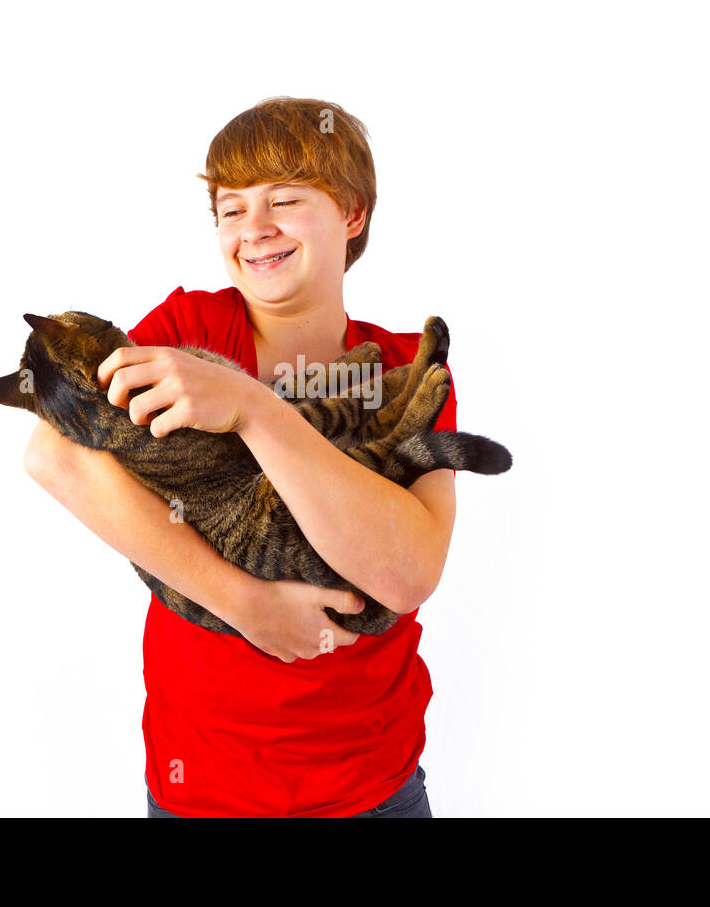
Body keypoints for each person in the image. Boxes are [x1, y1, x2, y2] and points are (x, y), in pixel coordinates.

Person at [23, 97, 458, 817]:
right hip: (204, 783)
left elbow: (405, 572)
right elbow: (54, 454)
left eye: (284, 200)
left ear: (352, 214)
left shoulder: (408, 367)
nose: (253, 229)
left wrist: (253, 408)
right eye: (229, 210)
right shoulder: (185, 327)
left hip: (369, 785)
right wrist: (247, 606)